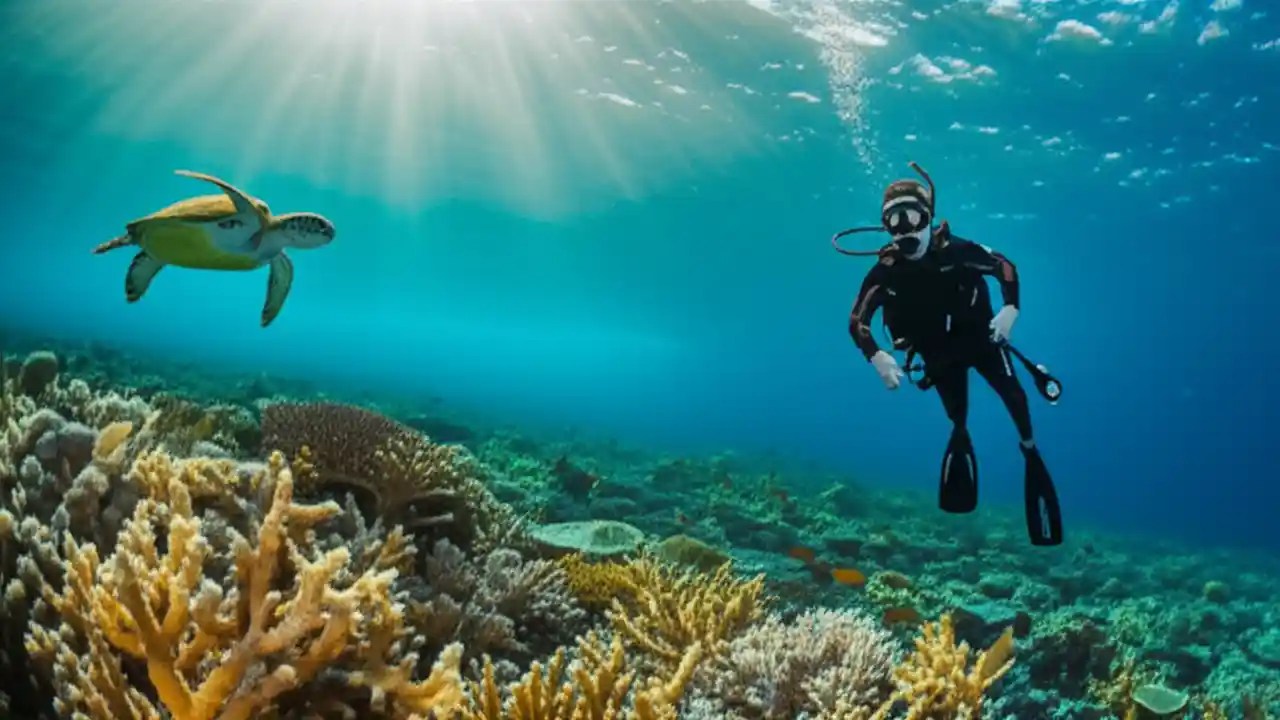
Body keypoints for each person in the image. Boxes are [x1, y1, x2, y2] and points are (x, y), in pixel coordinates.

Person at [845, 171, 1063, 546]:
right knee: (957, 414)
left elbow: (1004, 267)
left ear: (929, 216)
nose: (904, 231)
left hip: (983, 340)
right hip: (938, 355)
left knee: (1016, 399)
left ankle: (1029, 450)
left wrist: (1011, 309)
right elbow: (857, 320)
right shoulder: (886, 272)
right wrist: (876, 356)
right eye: (893, 222)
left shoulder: (960, 252)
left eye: (911, 218)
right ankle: (961, 437)